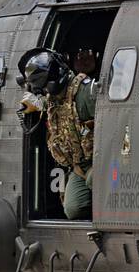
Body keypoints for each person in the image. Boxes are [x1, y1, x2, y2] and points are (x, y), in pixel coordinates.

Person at [16, 48, 98, 219]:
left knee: (96, 181)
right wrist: (36, 103)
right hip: (78, 167)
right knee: (73, 209)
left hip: (99, 162)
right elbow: (55, 104)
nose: (48, 87)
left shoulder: (86, 92)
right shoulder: (53, 99)